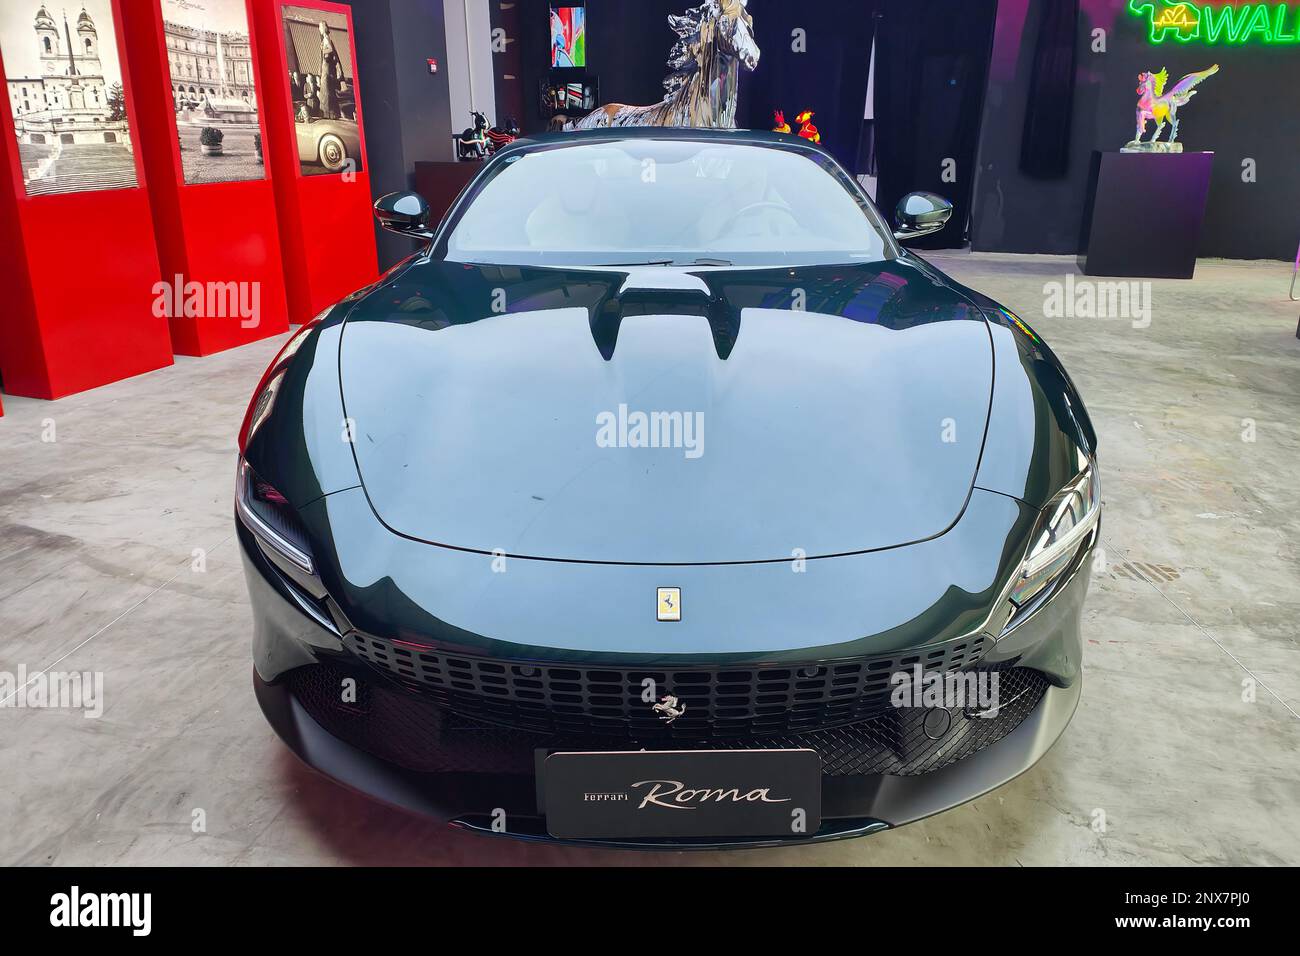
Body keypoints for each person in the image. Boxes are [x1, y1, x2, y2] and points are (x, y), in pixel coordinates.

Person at [318, 21, 342, 120]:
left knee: (326, 91)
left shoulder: (326, 38)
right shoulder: (325, 39)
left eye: (320, 27)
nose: (319, 29)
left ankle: (328, 113)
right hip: (326, 67)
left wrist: (324, 53)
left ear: (323, 28)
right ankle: (330, 113)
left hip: (326, 67)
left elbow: (331, 50)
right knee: (326, 91)